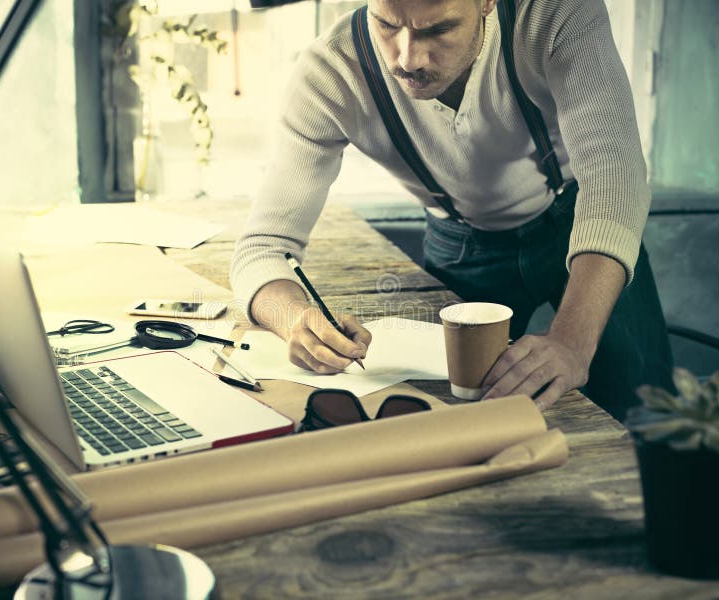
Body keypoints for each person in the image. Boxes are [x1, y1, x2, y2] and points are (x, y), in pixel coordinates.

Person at [230, 0, 675, 421]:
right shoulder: (331, 73)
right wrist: (293, 318)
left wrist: (572, 342)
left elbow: (616, 177)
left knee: (648, 408)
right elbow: (263, 247)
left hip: (581, 223)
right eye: (387, 24)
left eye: (439, 28)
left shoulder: (554, 14)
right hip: (462, 243)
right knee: (452, 411)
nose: (408, 59)